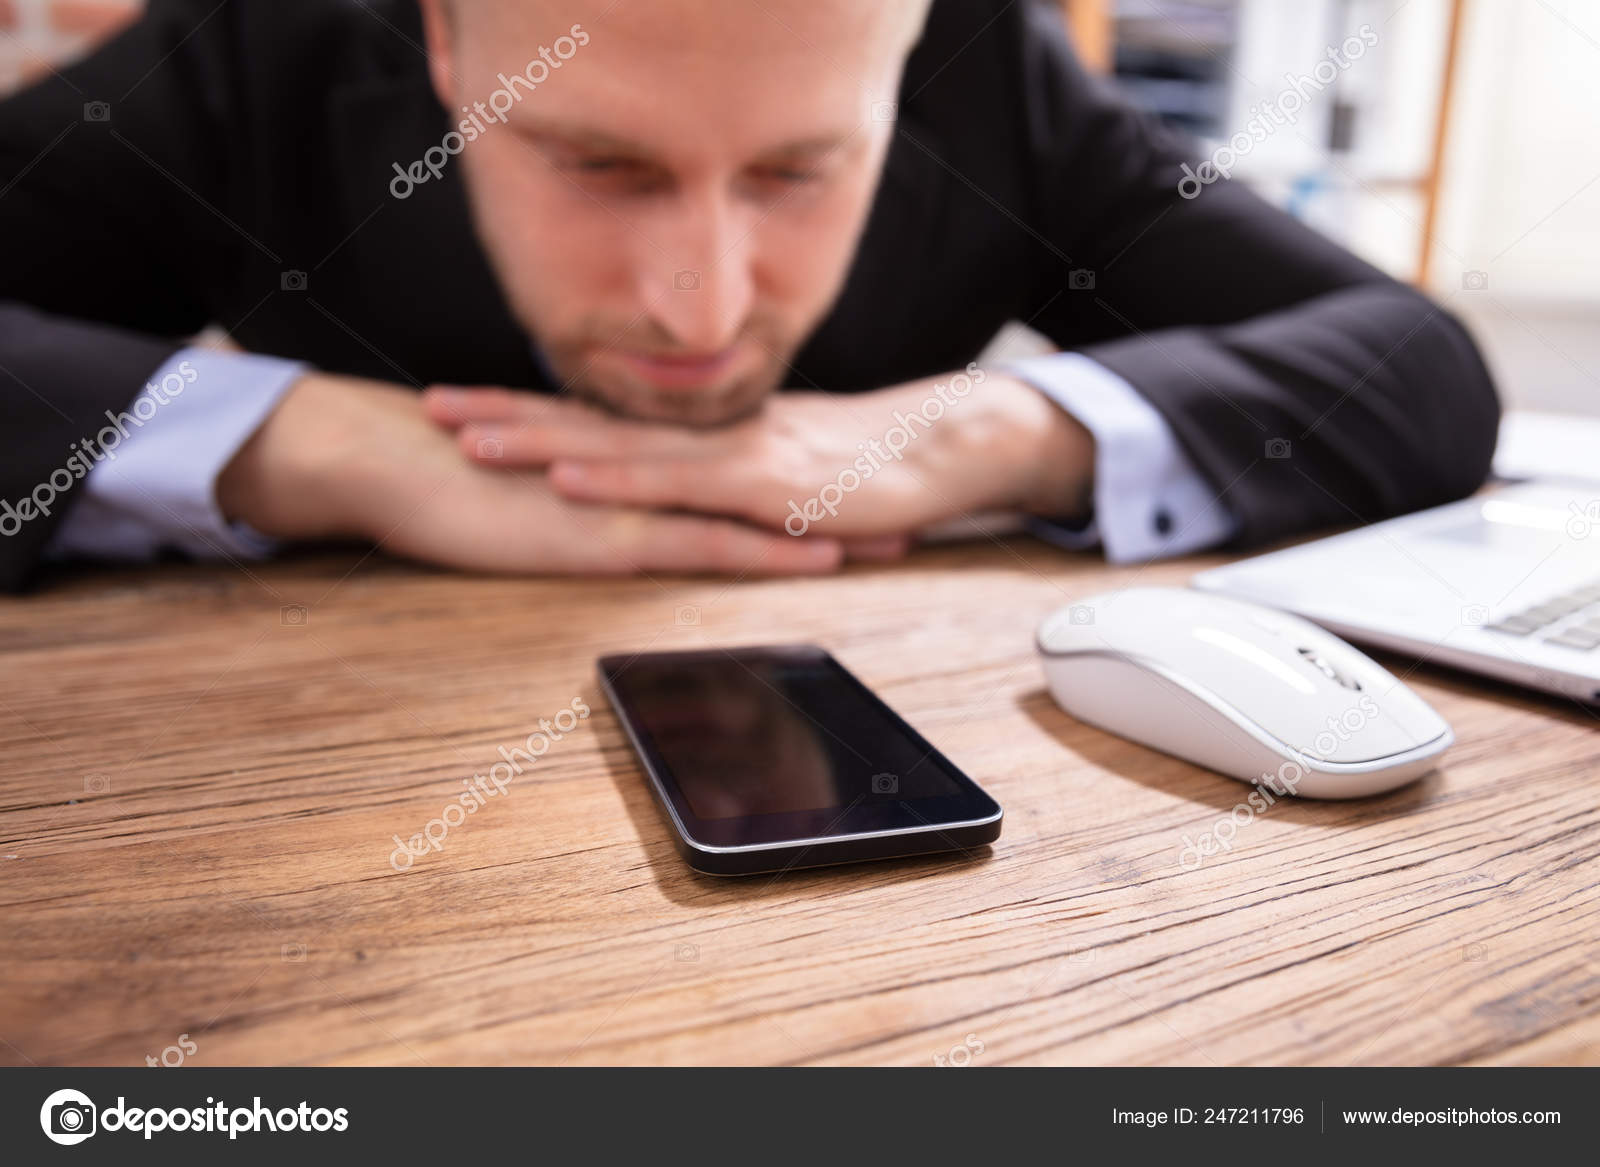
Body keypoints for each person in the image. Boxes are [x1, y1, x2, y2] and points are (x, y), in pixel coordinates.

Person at [0, 0, 1499, 592]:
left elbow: (1414, 362)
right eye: (595, 161)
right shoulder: (272, 50)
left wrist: (979, 434)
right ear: (446, 48)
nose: (699, 309)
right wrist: (314, 449)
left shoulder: (991, 73)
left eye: (800, 170)